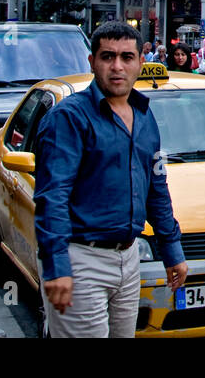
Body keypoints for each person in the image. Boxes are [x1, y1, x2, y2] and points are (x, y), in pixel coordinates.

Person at [34, 20, 188, 338]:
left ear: (140, 63)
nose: (117, 66)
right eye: (107, 56)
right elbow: (53, 197)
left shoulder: (144, 116)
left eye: (126, 57)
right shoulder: (68, 118)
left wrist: (171, 249)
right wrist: (58, 266)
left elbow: (156, 188)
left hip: (129, 259)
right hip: (81, 258)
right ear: (92, 62)